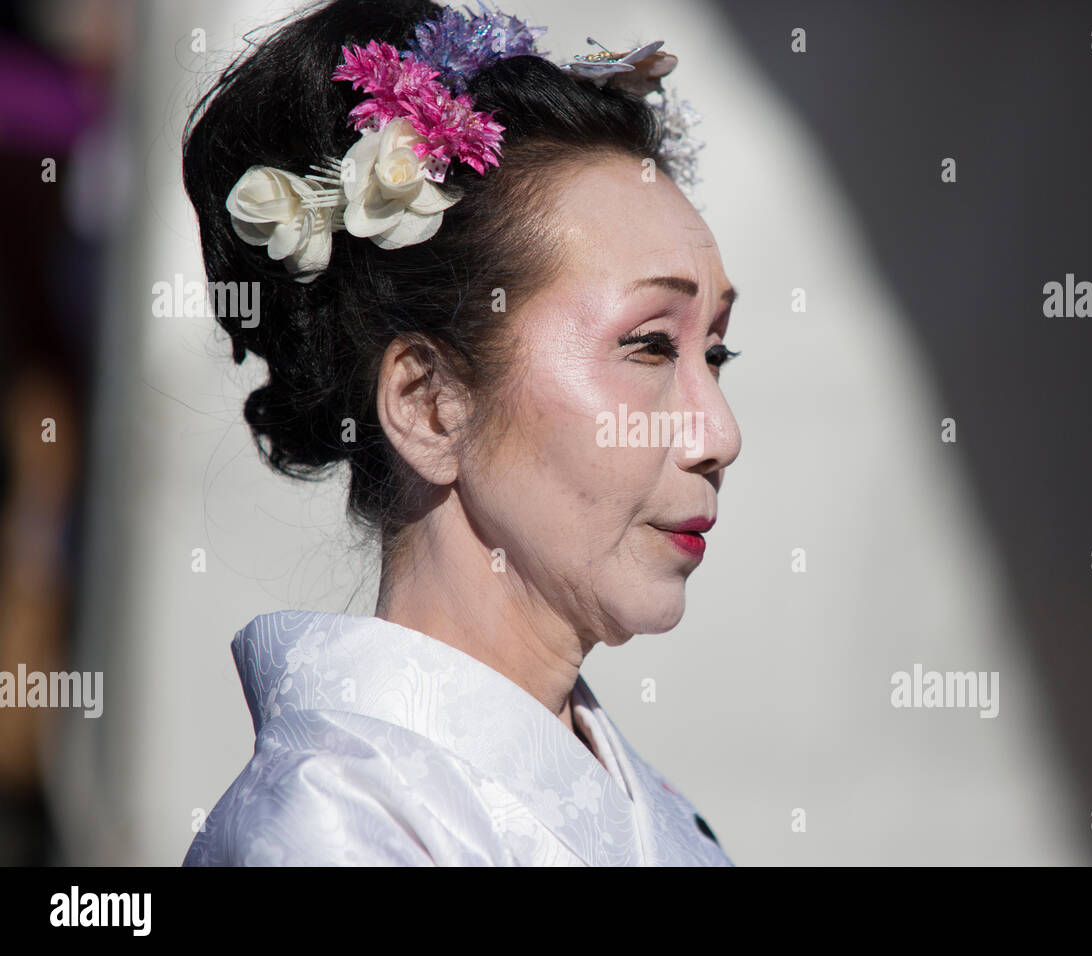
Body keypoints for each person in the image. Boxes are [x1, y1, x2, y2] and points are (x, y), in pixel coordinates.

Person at [180, 0, 741, 866]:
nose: (718, 435)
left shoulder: (654, 809)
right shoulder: (327, 830)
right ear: (428, 403)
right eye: (649, 345)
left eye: (718, 351)